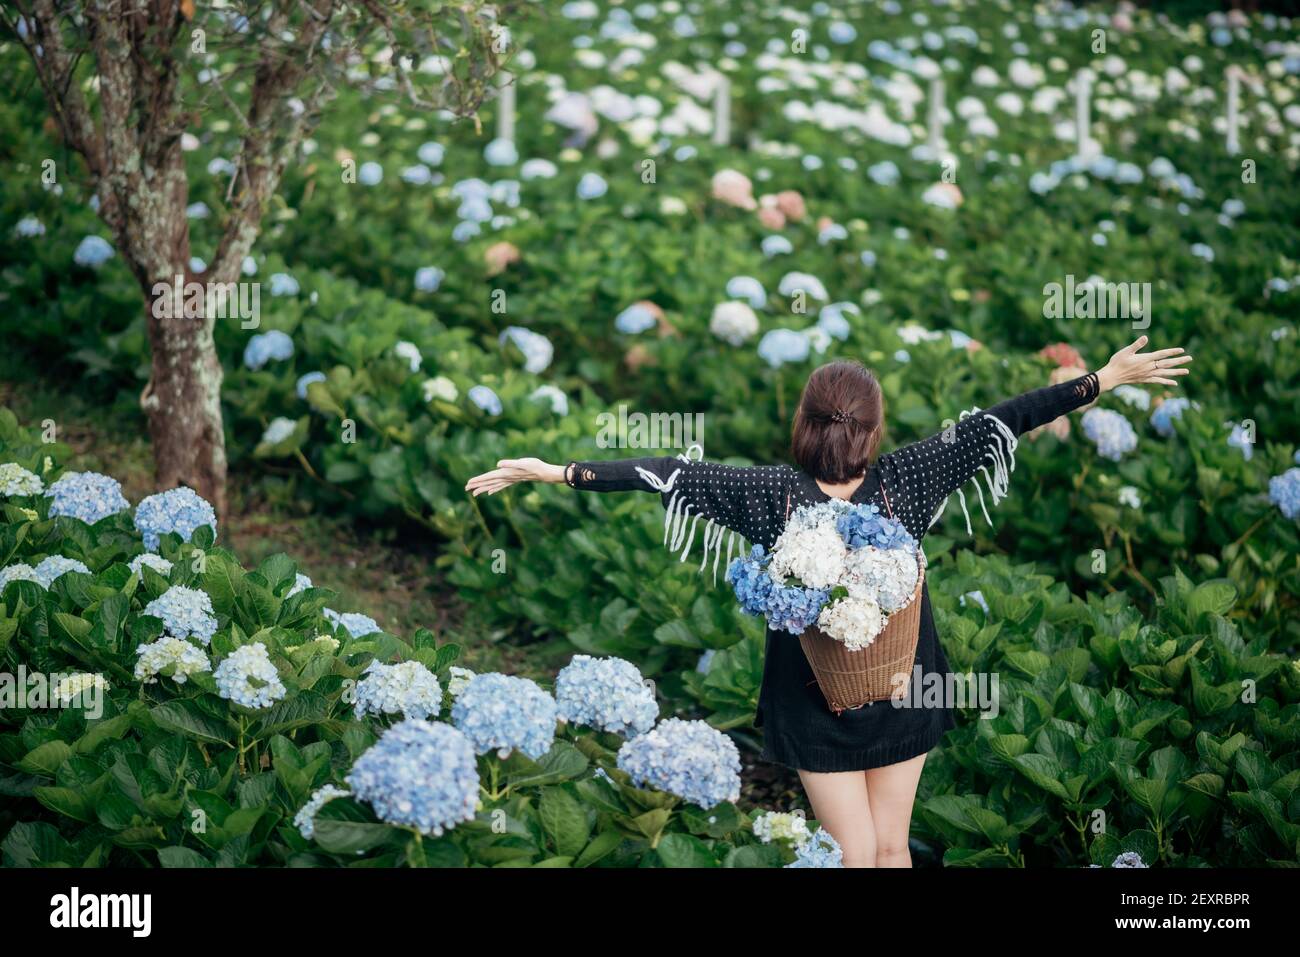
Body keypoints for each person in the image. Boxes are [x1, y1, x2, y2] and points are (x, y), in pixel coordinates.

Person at [465, 335, 1191, 867]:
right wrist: (1103, 378)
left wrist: (558, 471)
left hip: (814, 701)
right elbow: (1007, 418)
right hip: (908, 689)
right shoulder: (912, 474)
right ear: (872, 429)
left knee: (851, 857)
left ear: (804, 424)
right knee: (887, 850)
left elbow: (663, 474)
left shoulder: (765, 493)